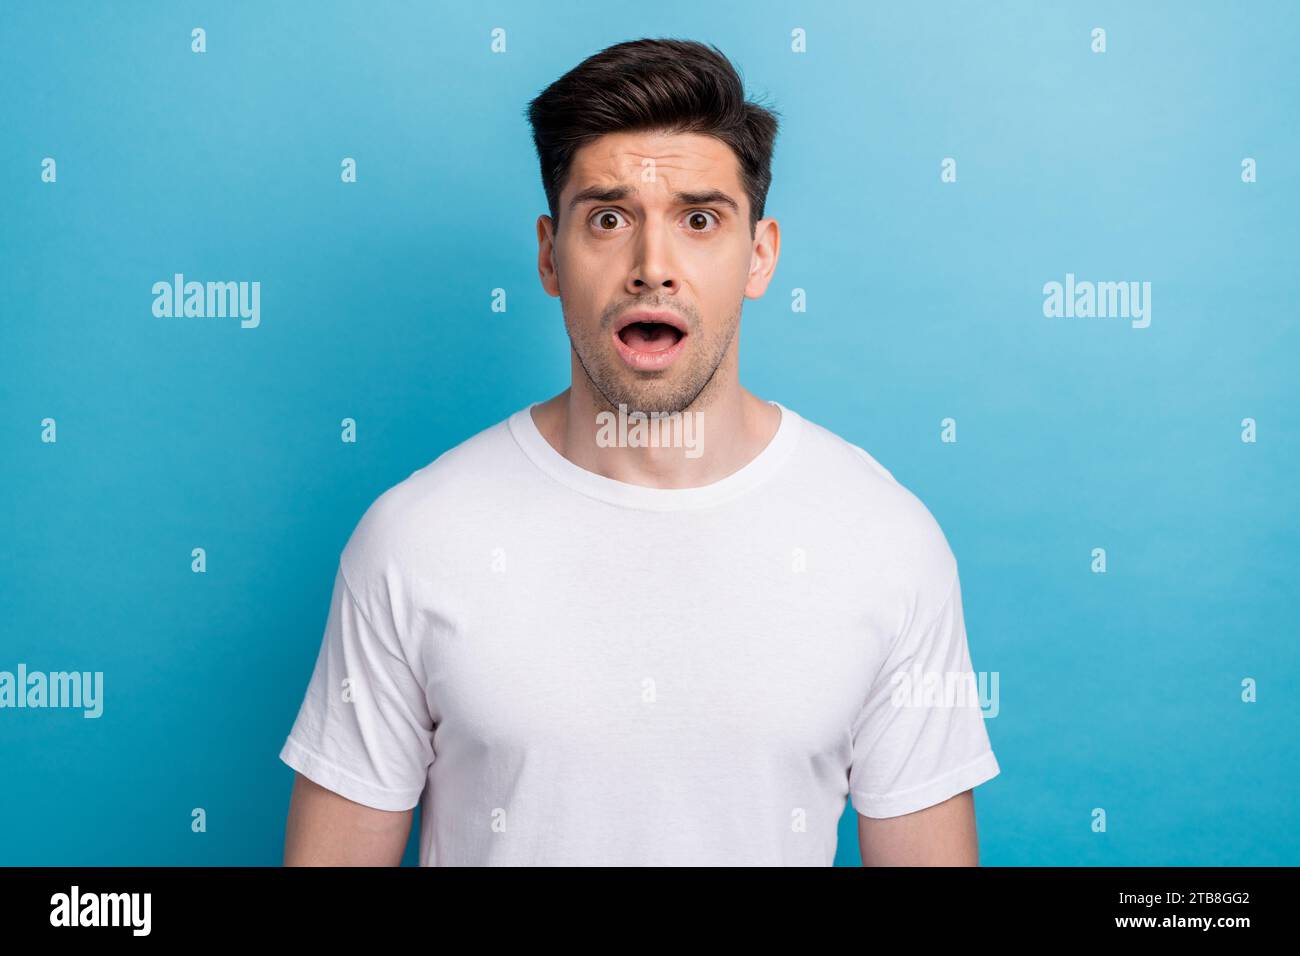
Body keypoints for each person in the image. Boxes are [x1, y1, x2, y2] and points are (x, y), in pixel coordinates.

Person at [279, 37, 1000, 866]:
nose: (652, 268)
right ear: (551, 255)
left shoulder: (886, 542)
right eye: (610, 219)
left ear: (759, 256)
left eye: (699, 220)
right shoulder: (414, 538)